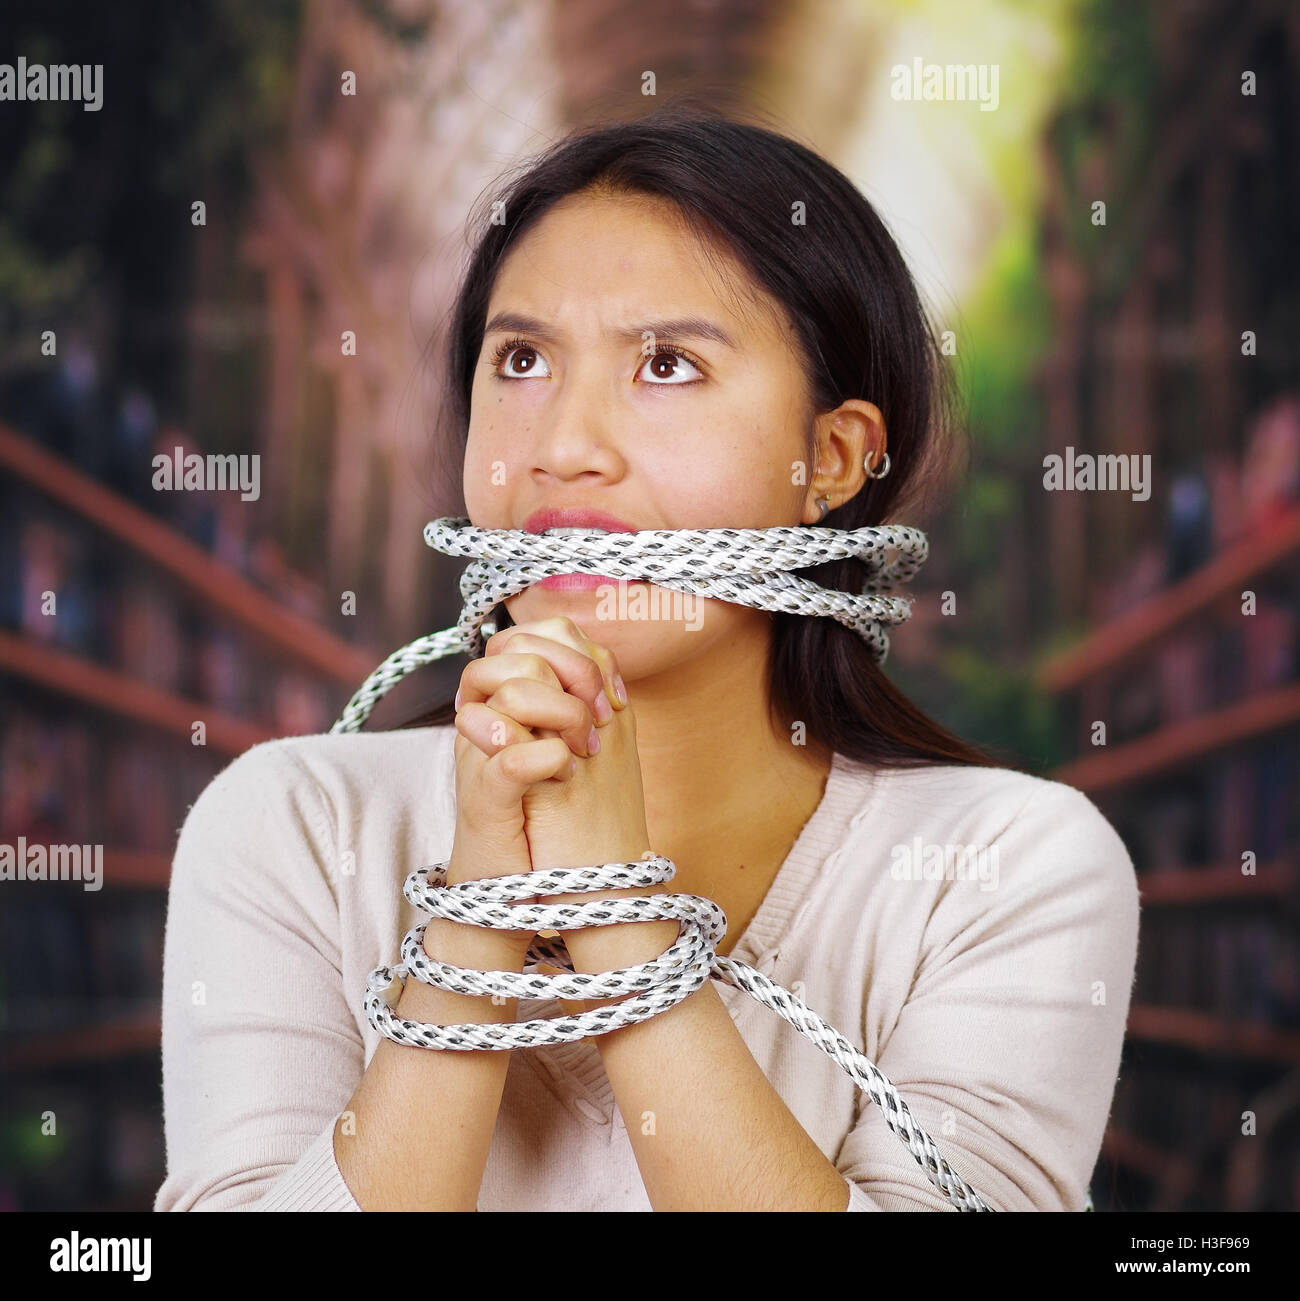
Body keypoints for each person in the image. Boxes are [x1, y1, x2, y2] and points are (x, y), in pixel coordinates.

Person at [154, 105, 1139, 1213]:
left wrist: (612, 899)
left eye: (666, 365)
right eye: (519, 358)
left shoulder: (1007, 867)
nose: (565, 446)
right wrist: (478, 898)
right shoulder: (291, 825)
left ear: (832, 457)